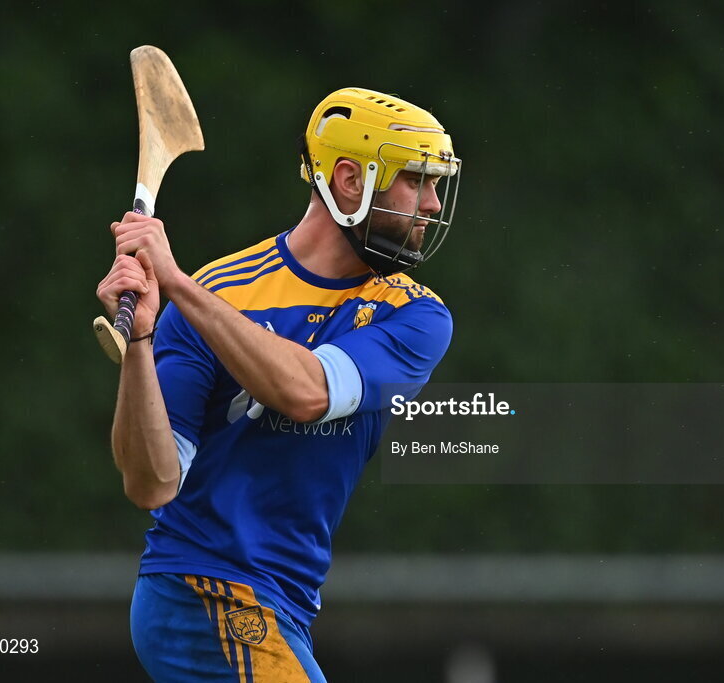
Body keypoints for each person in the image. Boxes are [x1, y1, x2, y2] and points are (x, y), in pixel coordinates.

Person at [95, 87, 460, 681]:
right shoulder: (221, 291)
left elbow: (307, 392)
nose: (433, 203)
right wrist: (139, 342)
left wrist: (179, 286)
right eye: (416, 181)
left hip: (281, 603)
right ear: (350, 179)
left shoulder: (414, 316)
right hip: (201, 591)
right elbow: (152, 482)